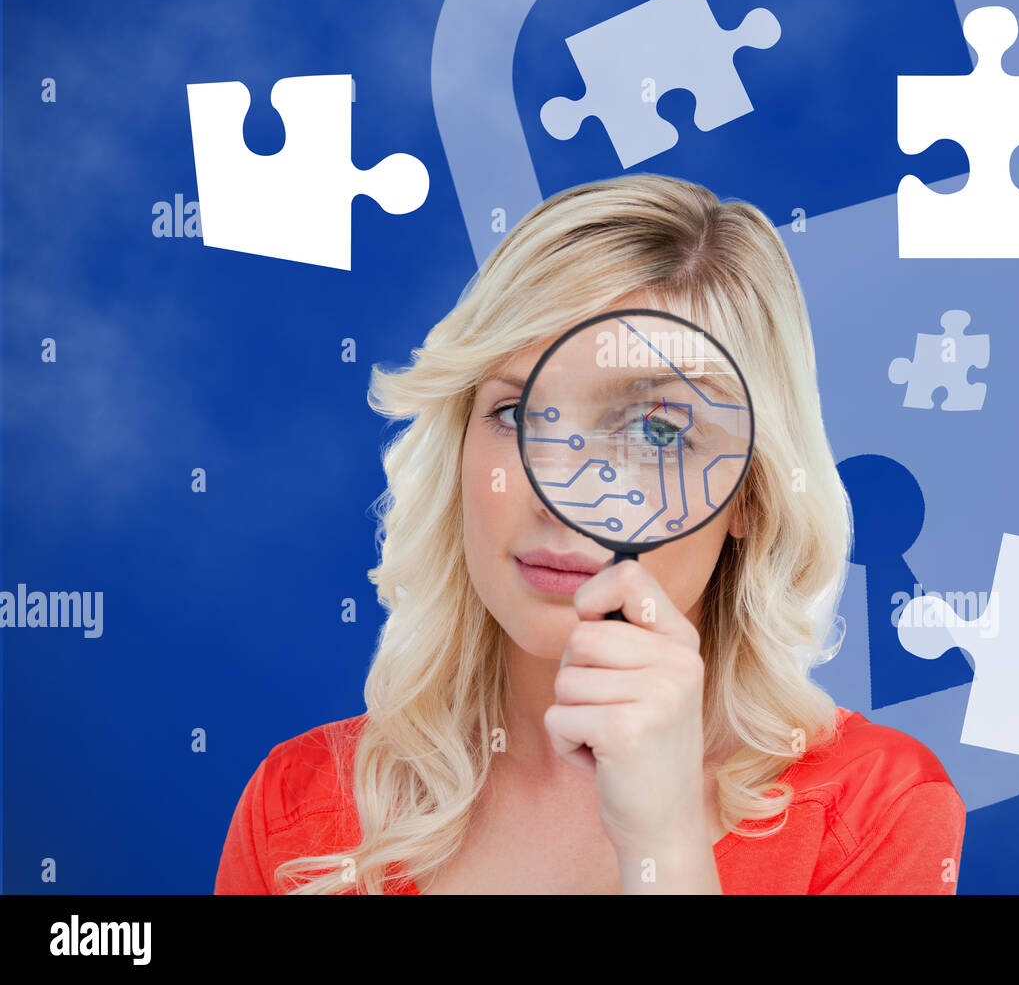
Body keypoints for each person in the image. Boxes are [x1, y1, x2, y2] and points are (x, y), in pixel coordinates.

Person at [214, 173, 965, 894]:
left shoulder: (875, 816)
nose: (561, 497)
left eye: (658, 431)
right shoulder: (300, 813)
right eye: (516, 415)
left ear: (750, 495)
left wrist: (664, 848)